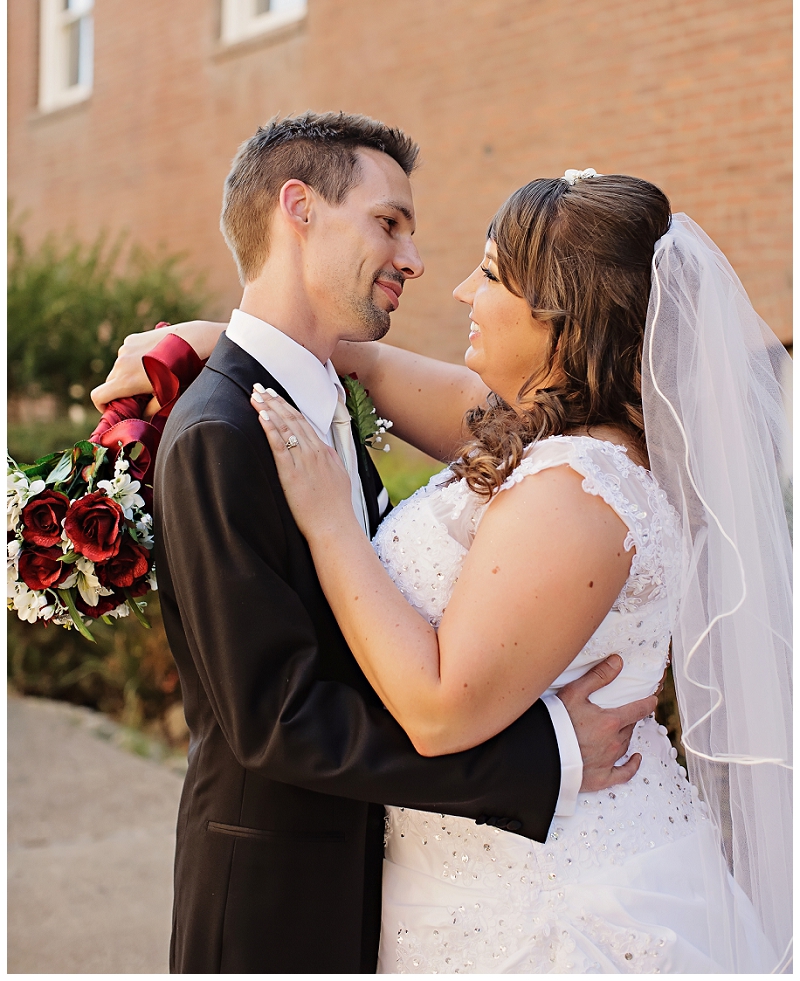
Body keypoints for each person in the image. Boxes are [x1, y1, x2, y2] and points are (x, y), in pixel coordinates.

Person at [114, 170, 791, 972]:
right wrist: (219, 340)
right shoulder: (546, 433)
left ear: (560, 316)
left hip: (552, 899)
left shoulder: (578, 490)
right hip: (462, 881)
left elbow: (438, 709)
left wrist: (334, 525)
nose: (465, 290)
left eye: (494, 274)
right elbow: (370, 366)